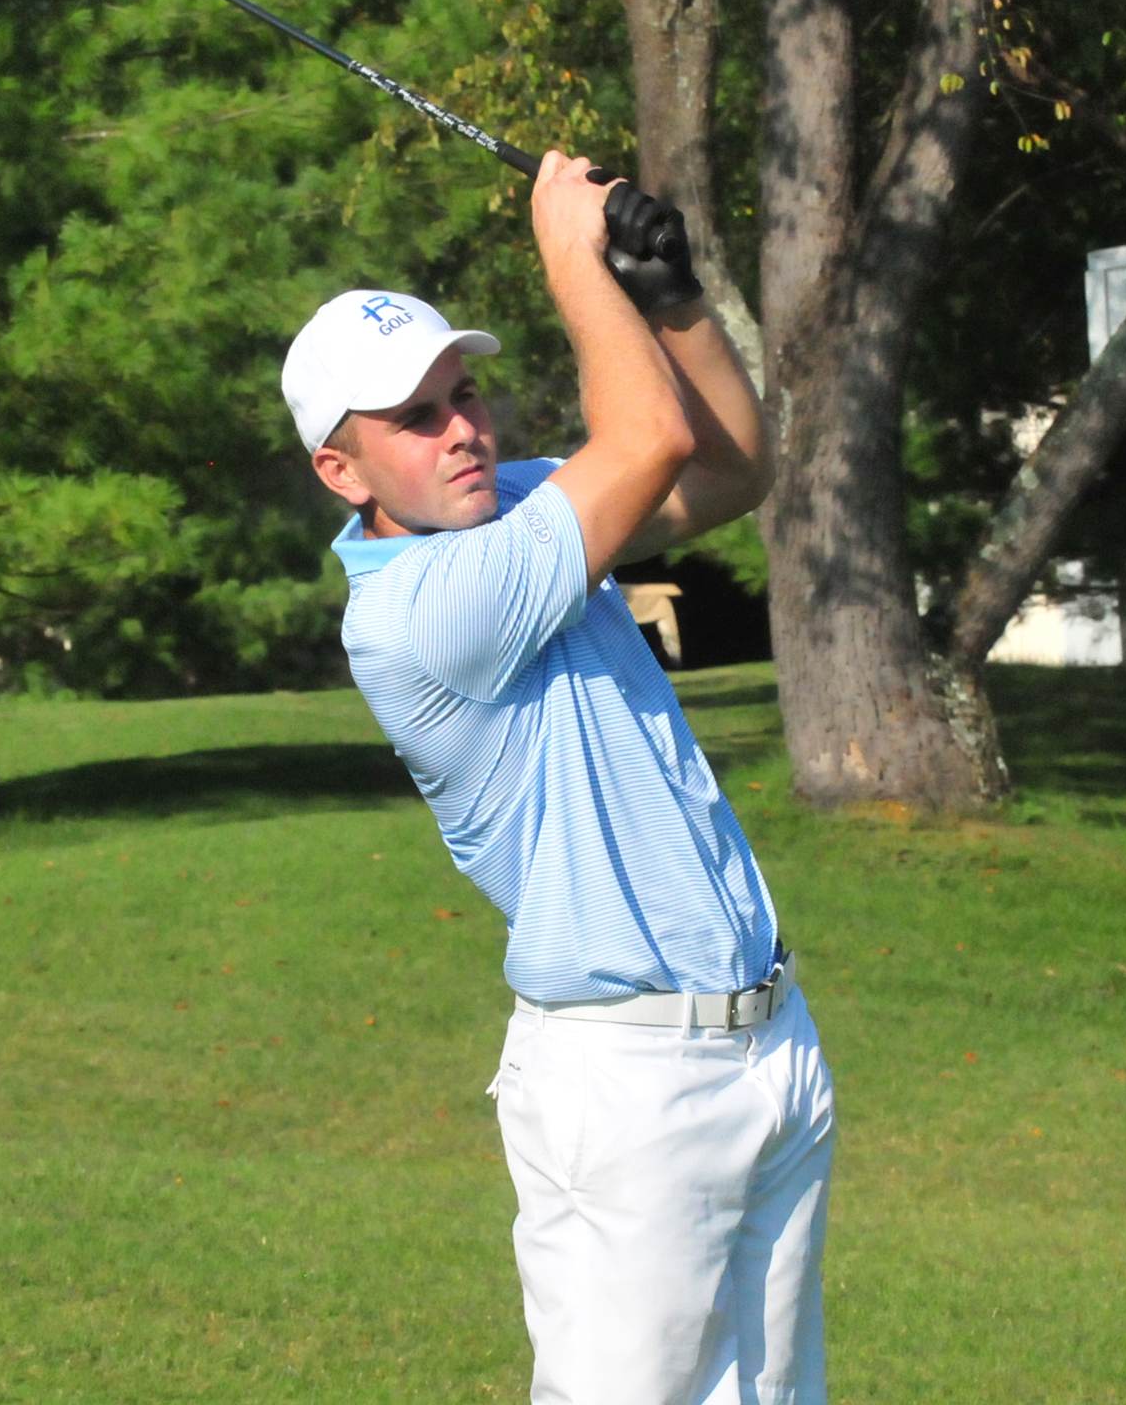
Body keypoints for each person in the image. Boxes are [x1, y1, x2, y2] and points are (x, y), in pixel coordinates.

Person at [281, 151, 836, 1405]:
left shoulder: (524, 507)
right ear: (342, 471)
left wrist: (676, 301)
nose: (465, 431)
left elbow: (733, 467)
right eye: (417, 420)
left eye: (466, 395)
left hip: (765, 1043)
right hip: (629, 1086)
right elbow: (642, 440)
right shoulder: (417, 612)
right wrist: (572, 255)